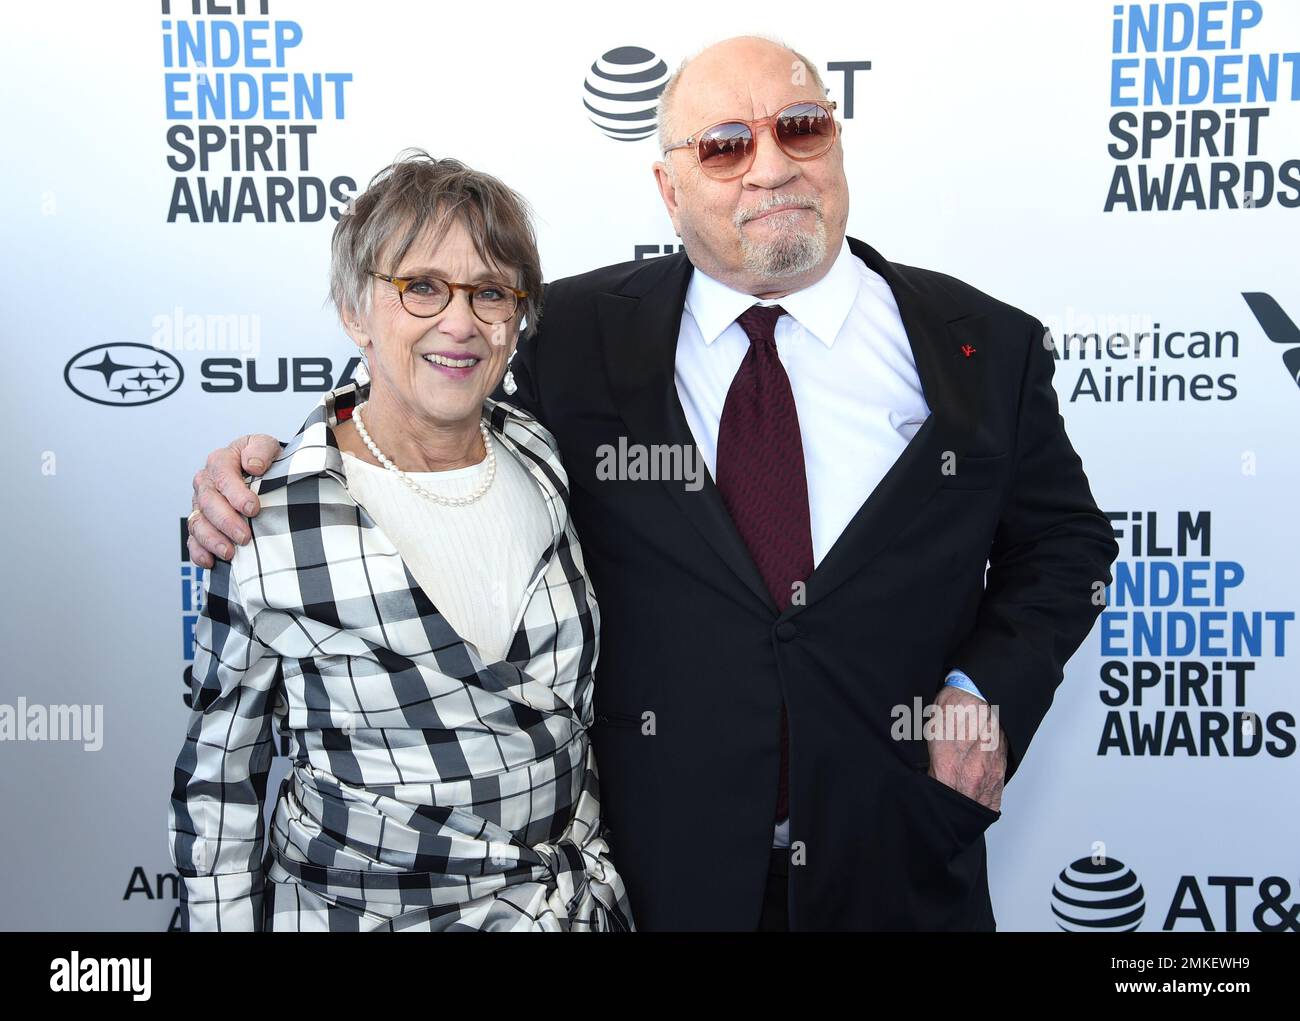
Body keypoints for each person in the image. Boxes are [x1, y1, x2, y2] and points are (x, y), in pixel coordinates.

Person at [187, 36, 1120, 931]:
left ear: (837, 138)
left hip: (901, 862)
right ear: (668, 189)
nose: (769, 167)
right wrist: (279, 464)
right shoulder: (572, 335)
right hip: (656, 880)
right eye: (724, 147)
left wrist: (985, 685)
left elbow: (1066, 545)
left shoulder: (982, 343)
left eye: (800, 126)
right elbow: (432, 393)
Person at [169, 152, 632, 931]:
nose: (459, 322)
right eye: (421, 286)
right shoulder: (268, 514)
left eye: (490, 292)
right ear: (356, 309)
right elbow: (223, 781)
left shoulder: (542, 454)